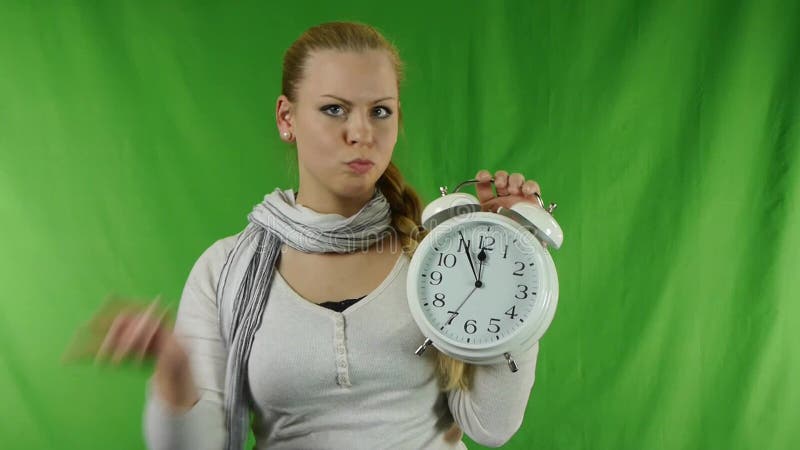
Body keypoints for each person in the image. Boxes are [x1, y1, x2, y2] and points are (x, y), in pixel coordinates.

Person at [92, 21, 546, 449]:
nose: (361, 133)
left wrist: (514, 263)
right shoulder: (223, 271)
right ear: (287, 118)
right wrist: (174, 370)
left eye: (380, 111)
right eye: (334, 109)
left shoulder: (439, 257)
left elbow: (491, 425)